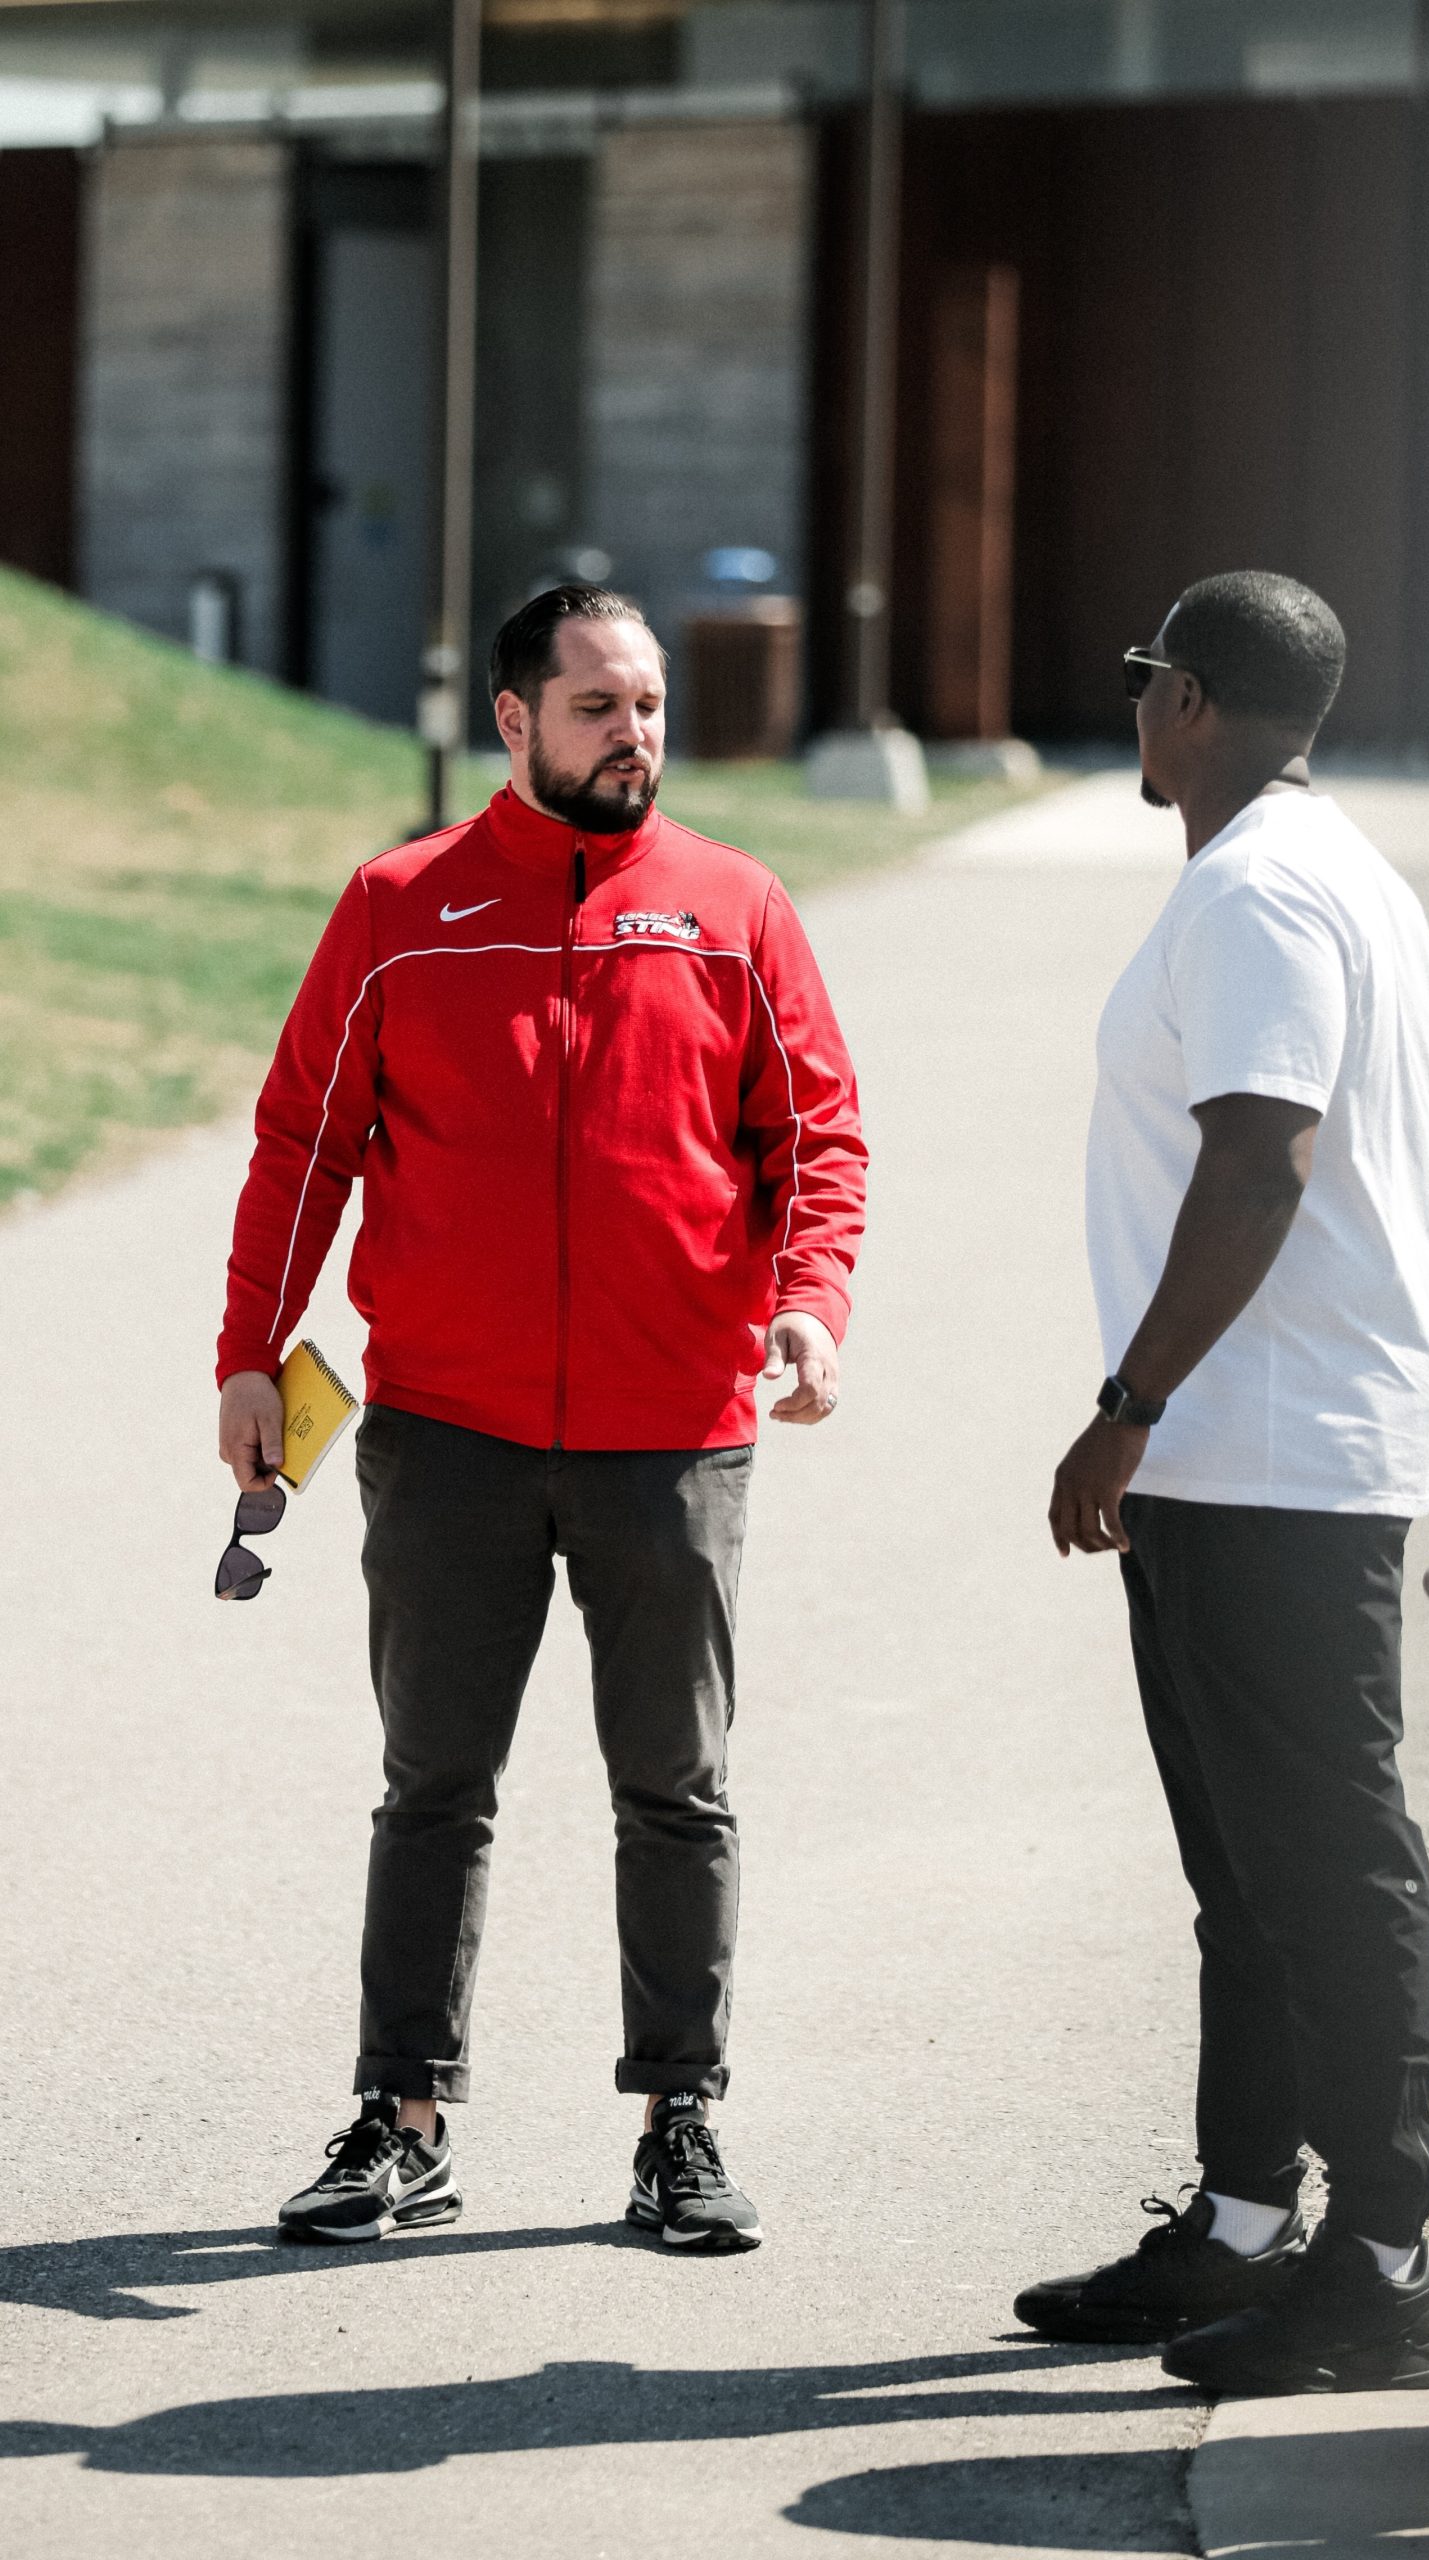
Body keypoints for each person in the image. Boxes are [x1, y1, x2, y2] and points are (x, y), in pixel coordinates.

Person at [216, 583, 865, 2253]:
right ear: (514, 723)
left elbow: (818, 1142)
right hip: (449, 1434)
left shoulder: (732, 909)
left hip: (675, 1432)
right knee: (434, 1781)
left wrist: (807, 1302)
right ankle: (402, 2120)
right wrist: (250, 1354)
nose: (635, 733)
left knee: (677, 1785)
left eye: (647, 705)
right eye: (599, 707)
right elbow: (303, 1145)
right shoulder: (398, 906)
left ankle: (680, 2125)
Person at [1015, 571, 1429, 2394]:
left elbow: (1262, 1165)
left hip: (1261, 1452)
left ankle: (1375, 2251)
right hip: (1260, 1443)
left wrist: (1128, 1401)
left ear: (1186, 699)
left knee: (1319, 1858)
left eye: (1141, 685)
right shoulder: (1329, 870)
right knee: (1245, 1867)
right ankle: (1245, 2220)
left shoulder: (1261, 889)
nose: (1134, 713)